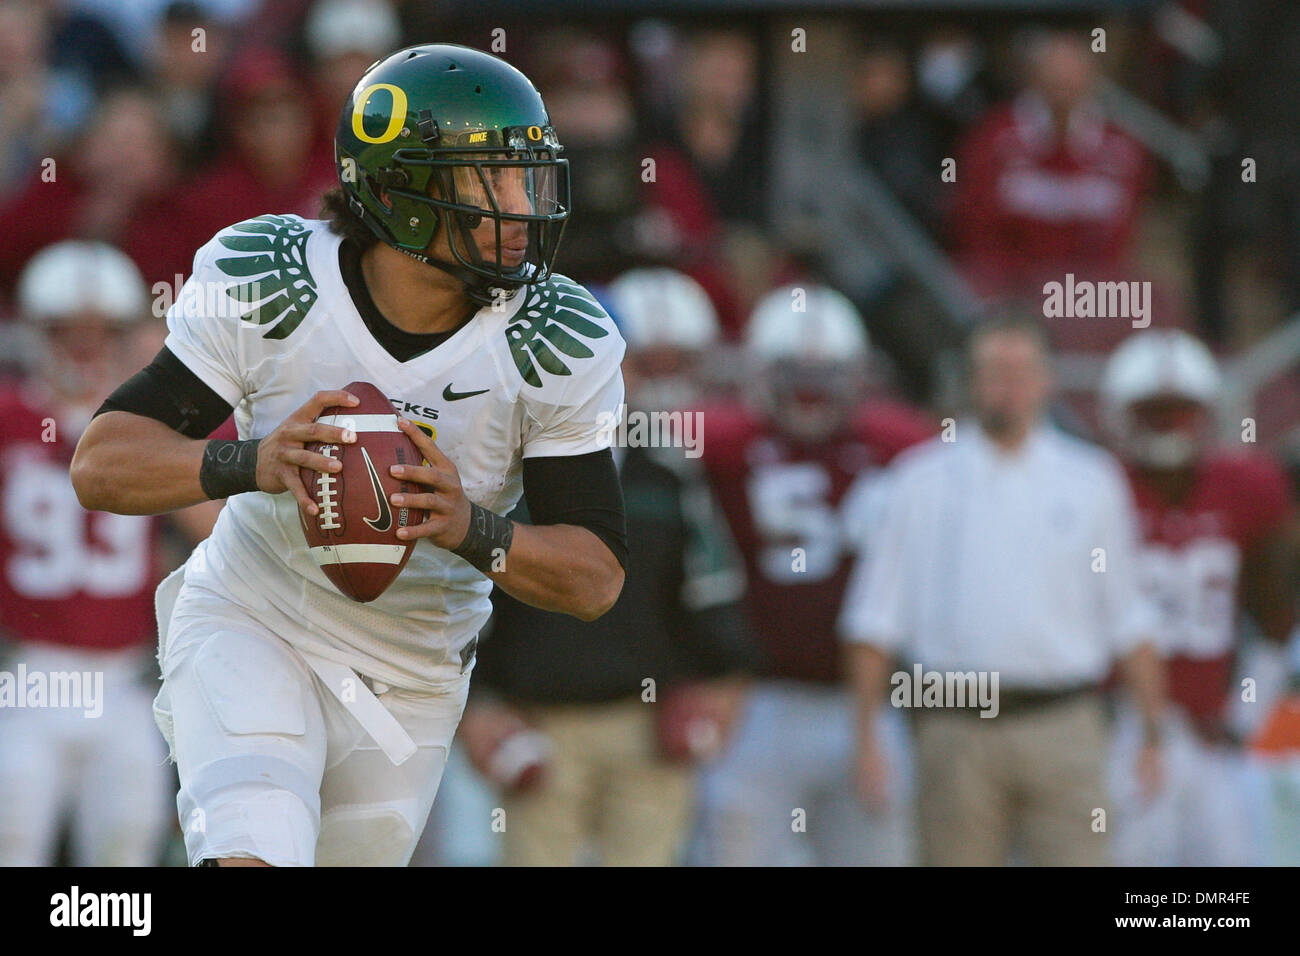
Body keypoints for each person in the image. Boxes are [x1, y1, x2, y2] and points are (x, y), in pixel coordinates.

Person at [70, 44, 627, 868]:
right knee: (253, 852)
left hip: (413, 668)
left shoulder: (554, 337)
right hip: (254, 616)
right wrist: (250, 463)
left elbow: (596, 579)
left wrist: (470, 527)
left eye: (527, 173)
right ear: (404, 192)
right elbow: (102, 462)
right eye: (491, 180)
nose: (523, 203)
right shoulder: (273, 279)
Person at [843, 314, 1166, 866]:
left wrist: (1152, 733)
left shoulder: (1092, 482)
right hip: (954, 726)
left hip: (1065, 724)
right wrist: (866, 737)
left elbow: (1128, 617)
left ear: (1047, 381)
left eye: (1021, 371)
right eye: (994, 371)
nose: (1008, 386)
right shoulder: (919, 481)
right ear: (970, 380)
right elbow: (874, 620)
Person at [458, 267, 756, 866]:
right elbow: (460, 601)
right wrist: (477, 704)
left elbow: (710, 594)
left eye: (602, 361)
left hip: (646, 724)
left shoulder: (665, 474)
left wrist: (721, 688)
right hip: (535, 723)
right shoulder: (500, 478)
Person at [692, 284, 932, 866]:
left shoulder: (903, 450)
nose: (811, 392)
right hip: (756, 698)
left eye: (828, 376)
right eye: (796, 375)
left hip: (866, 704)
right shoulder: (721, 445)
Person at [0, 241, 218, 865]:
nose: (85, 350)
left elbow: (218, 532)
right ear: (33, 333)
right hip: (26, 681)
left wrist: (157, 421)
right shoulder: (10, 417)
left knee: (125, 857)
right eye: (66, 332)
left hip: (127, 685)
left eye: (103, 333)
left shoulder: (145, 429)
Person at [1100, 330, 1294, 865]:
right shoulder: (1098, 488)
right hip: (1124, 725)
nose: (1169, 427)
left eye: (1181, 412)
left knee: (1225, 886)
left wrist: (1245, 710)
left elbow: (1277, 614)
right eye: (1154, 412)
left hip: (1212, 730)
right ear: (1120, 413)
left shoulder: (1245, 487)